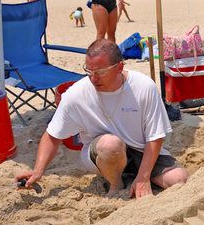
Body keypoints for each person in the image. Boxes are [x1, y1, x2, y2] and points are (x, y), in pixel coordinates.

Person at [15, 39, 189, 199]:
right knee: (110, 145)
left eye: (100, 72)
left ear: (119, 68)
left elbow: (155, 136)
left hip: (140, 150)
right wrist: (38, 171)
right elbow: (53, 135)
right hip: (102, 153)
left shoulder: (144, 86)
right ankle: (116, 185)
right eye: (89, 71)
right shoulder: (76, 94)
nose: (92, 78)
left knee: (180, 179)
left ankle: (134, 175)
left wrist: (144, 176)